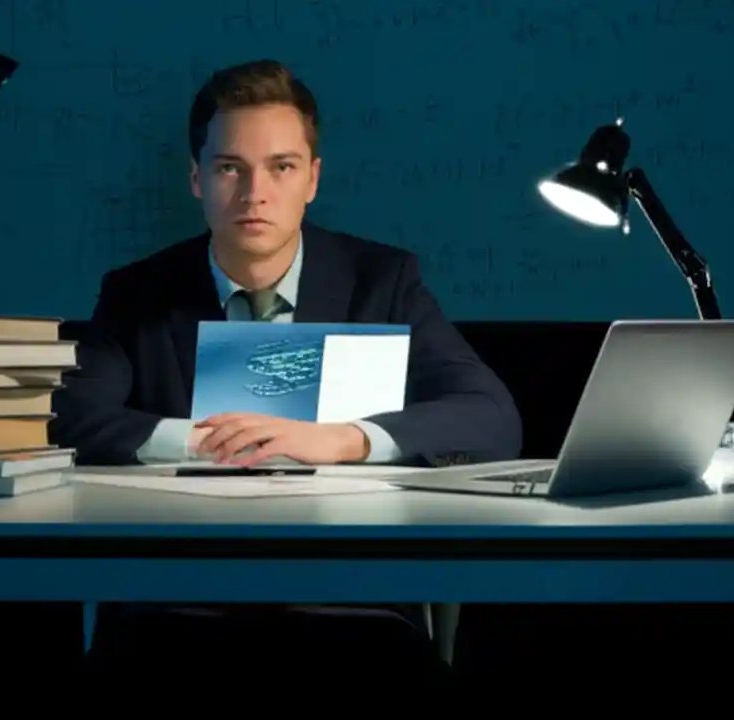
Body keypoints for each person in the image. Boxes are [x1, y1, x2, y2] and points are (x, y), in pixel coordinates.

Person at [49, 59, 522, 708]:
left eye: (281, 167)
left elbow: (490, 415)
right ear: (196, 178)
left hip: (351, 605)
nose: (255, 193)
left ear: (312, 179)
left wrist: (343, 439)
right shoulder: (138, 292)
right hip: (180, 602)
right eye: (229, 168)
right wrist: (205, 441)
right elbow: (69, 415)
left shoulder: (382, 281)